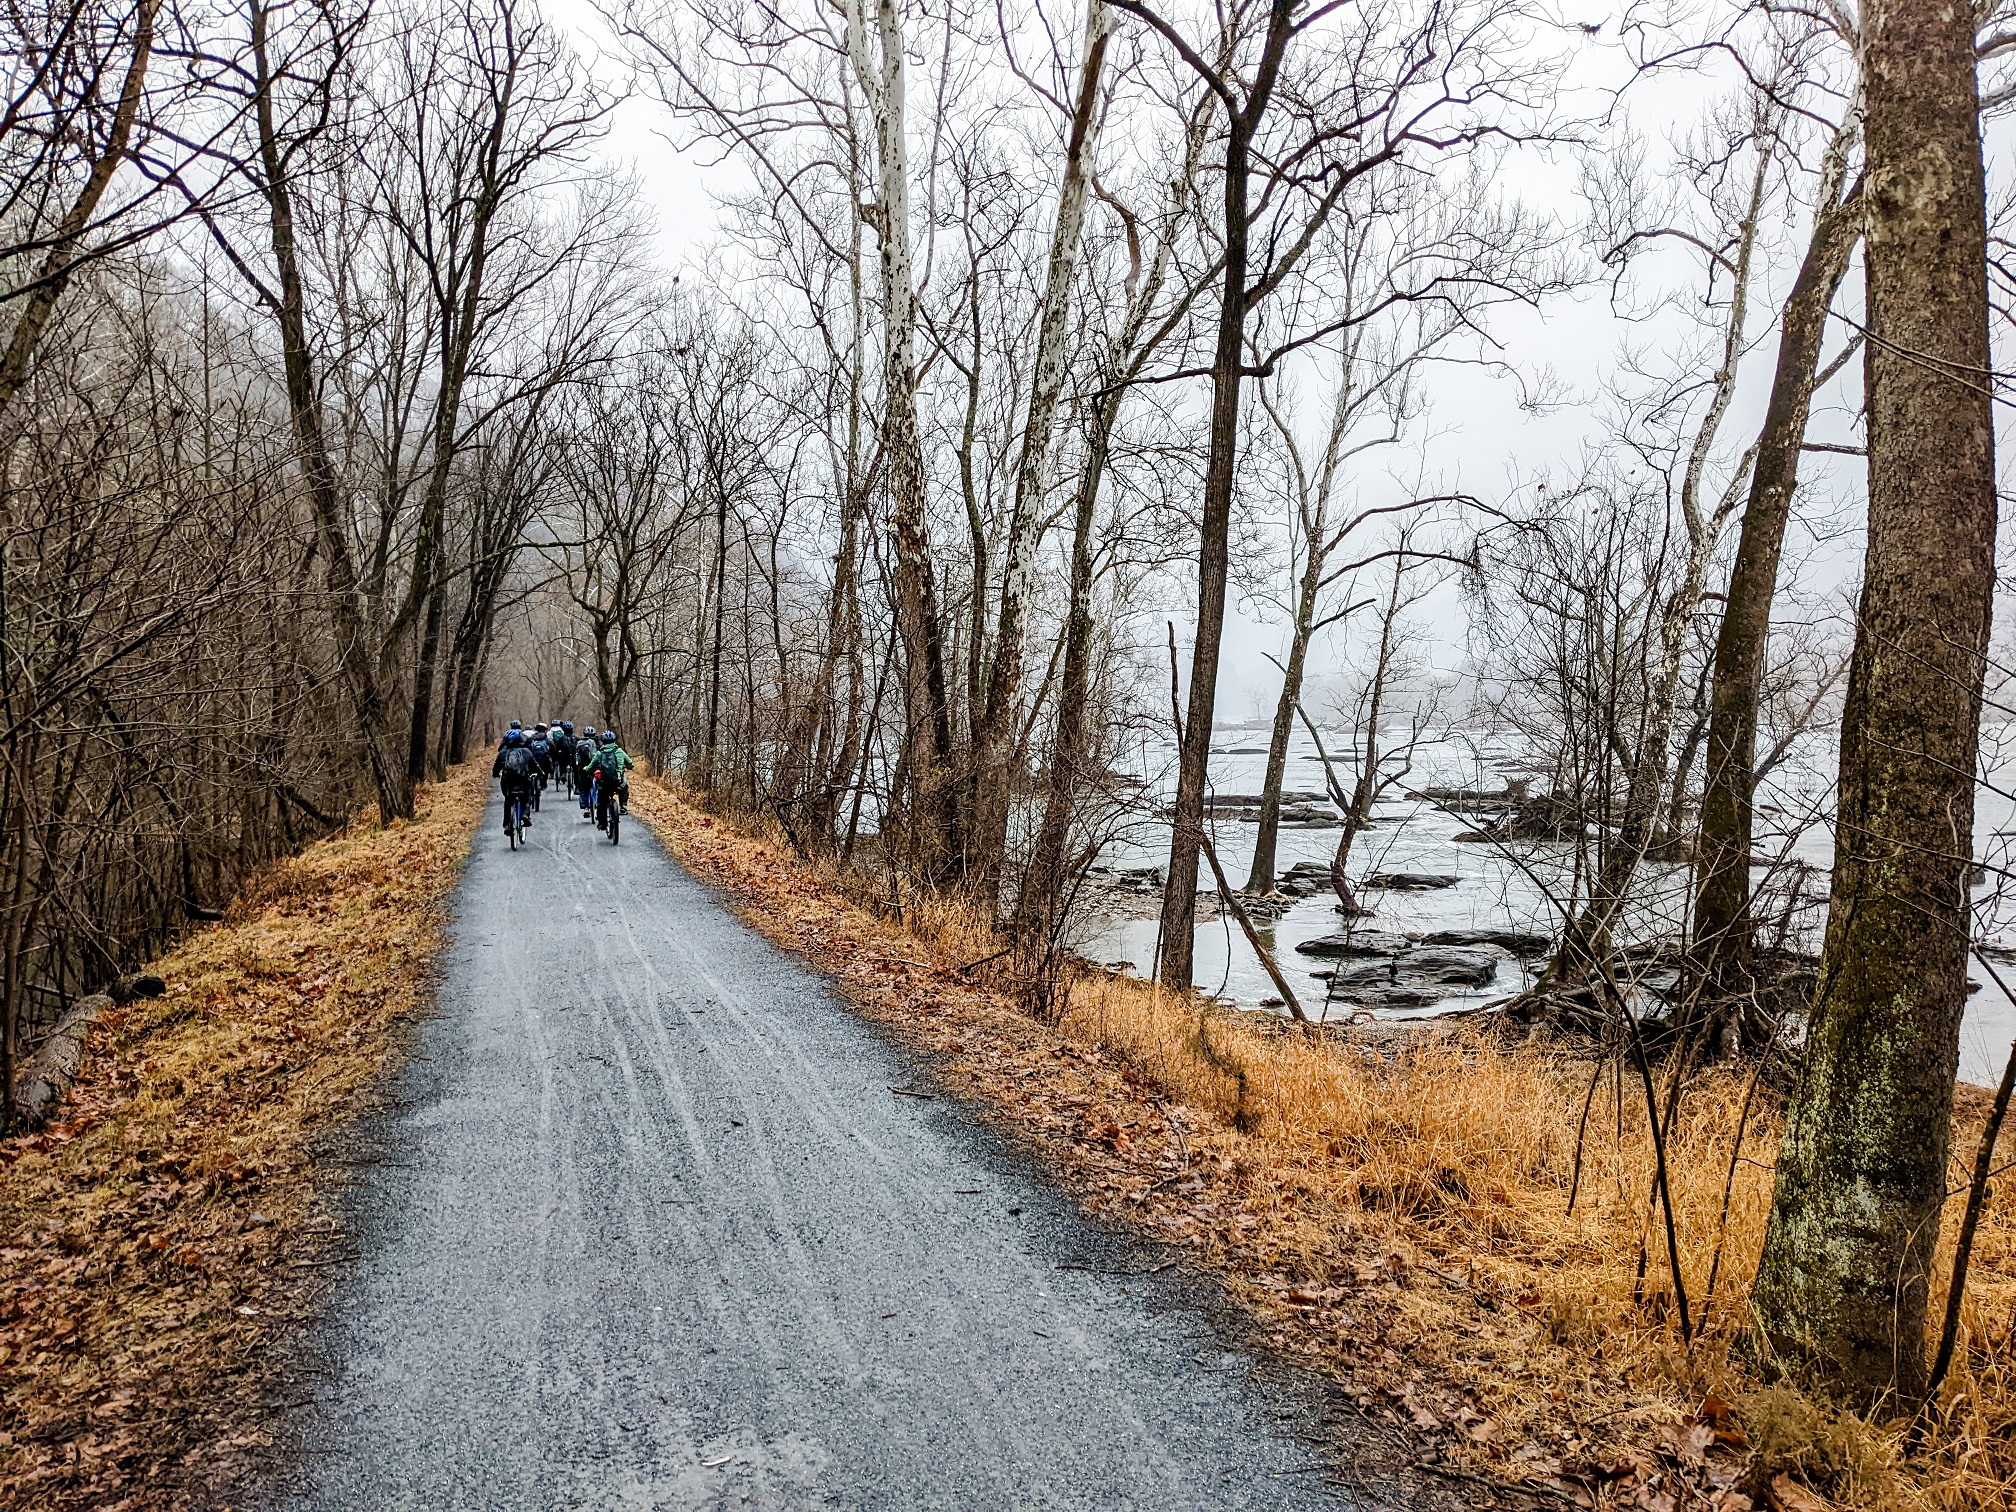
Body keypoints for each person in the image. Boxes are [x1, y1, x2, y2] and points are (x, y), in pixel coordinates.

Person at [585, 728, 632, 831]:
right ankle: (623, 805)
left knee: (601, 802)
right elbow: (630, 763)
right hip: (617, 782)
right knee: (624, 784)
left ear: (603, 741)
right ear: (614, 740)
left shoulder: (599, 753)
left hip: (604, 784)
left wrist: (587, 769)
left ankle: (602, 824)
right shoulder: (619, 751)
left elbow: (591, 767)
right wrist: (628, 767)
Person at [491, 728, 536, 831]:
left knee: (508, 800)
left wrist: (495, 775)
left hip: (507, 782)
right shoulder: (525, 752)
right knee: (527, 795)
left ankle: (507, 825)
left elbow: (496, 769)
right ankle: (525, 814)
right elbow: (534, 765)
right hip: (523, 781)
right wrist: (540, 773)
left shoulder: (503, 753)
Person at [575, 724, 599, 816]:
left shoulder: (579, 743)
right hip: (594, 767)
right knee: (598, 785)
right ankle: (597, 802)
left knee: (583, 787)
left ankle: (585, 807)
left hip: (582, 768)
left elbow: (576, 756)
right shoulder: (597, 743)